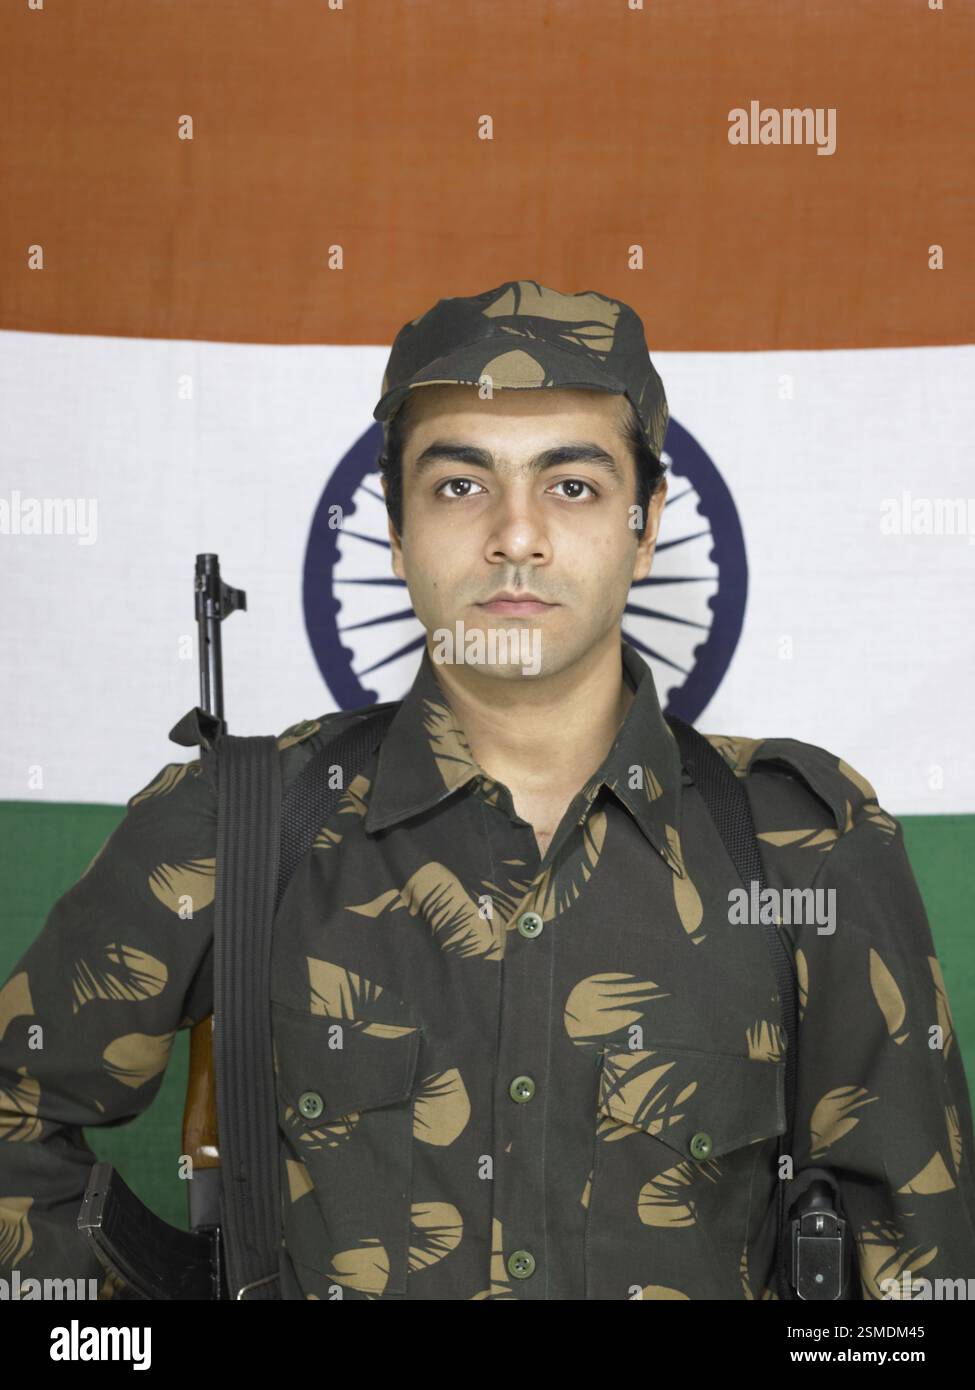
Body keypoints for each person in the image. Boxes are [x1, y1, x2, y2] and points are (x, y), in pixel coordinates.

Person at [2, 279, 974, 1301]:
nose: (516, 536)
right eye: (461, 485)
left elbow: (915, 1265)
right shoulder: (243, 823)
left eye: (572, 486)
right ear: (397, 531)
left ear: (645, 530)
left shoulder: (803, 841)